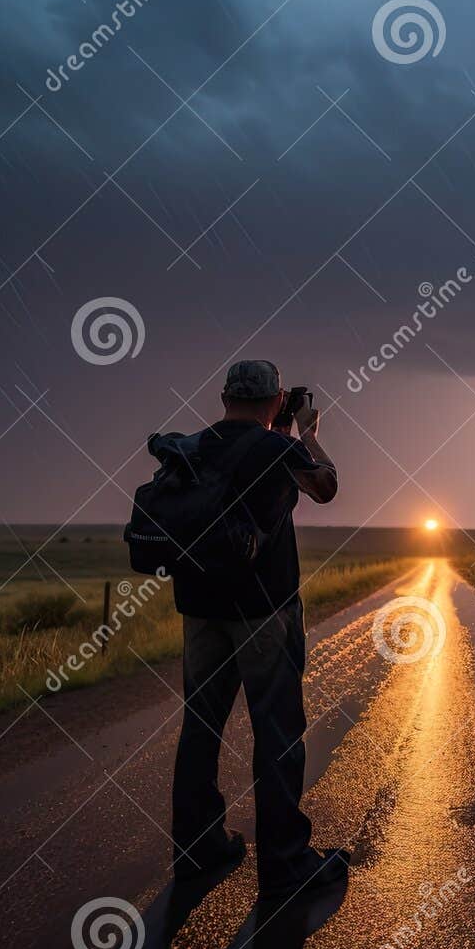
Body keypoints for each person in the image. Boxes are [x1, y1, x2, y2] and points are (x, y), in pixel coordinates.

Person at [168, 359, 347, 899]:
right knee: (277, 734)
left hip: (200, 611)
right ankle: (285, 864)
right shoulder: (279, 449)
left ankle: (197, 850)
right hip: (264, 613)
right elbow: (326, 486)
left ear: (223, 396)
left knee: (201, 729)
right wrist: (309, 435)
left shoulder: (194, 446)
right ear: (276, 400)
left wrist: (280, 432)